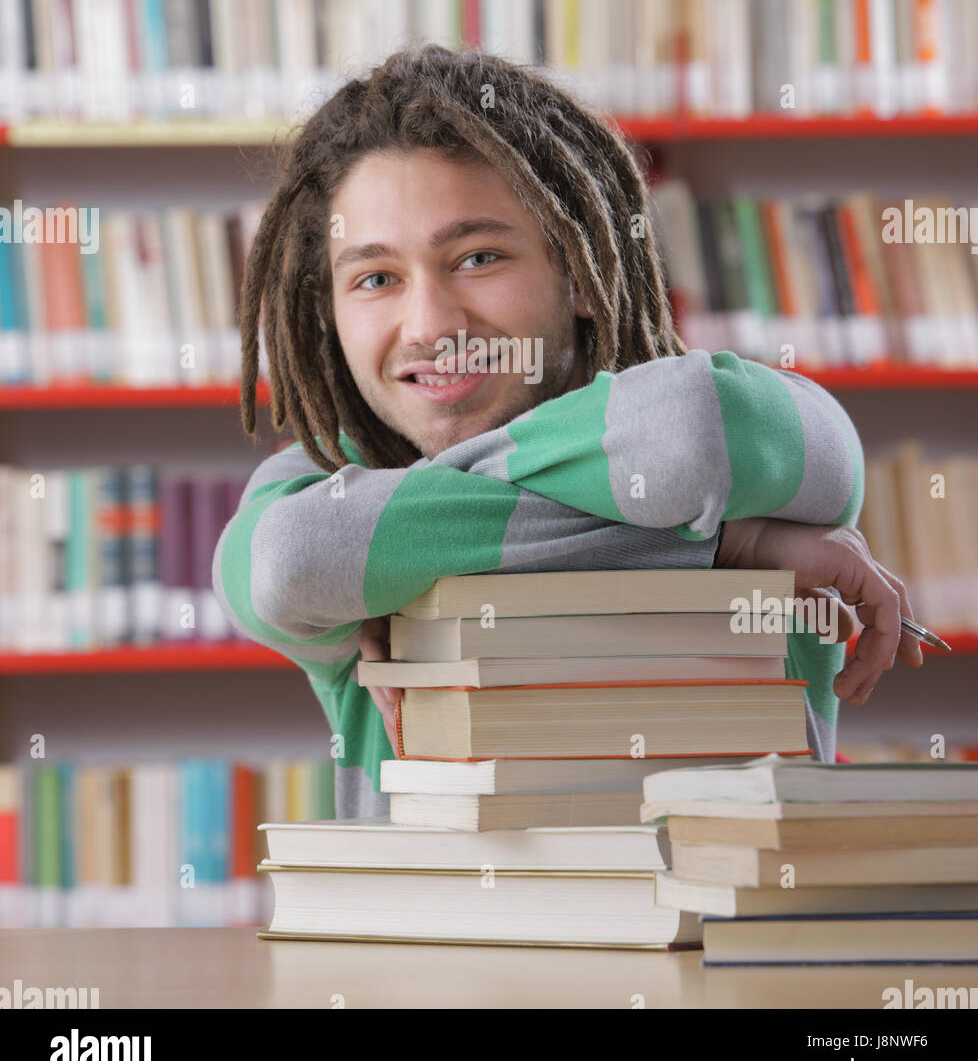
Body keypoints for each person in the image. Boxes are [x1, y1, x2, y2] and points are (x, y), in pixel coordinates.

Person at [212, 44, 921, 819]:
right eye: (375, 279)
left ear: (581, 273)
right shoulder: (307, 483)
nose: (430, 325)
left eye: (478, 257)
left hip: (722, 939)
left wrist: (408, 561)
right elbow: (290, 561)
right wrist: (725, 546)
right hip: (436, 945)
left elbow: (687, 439)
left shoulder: (738, 420)